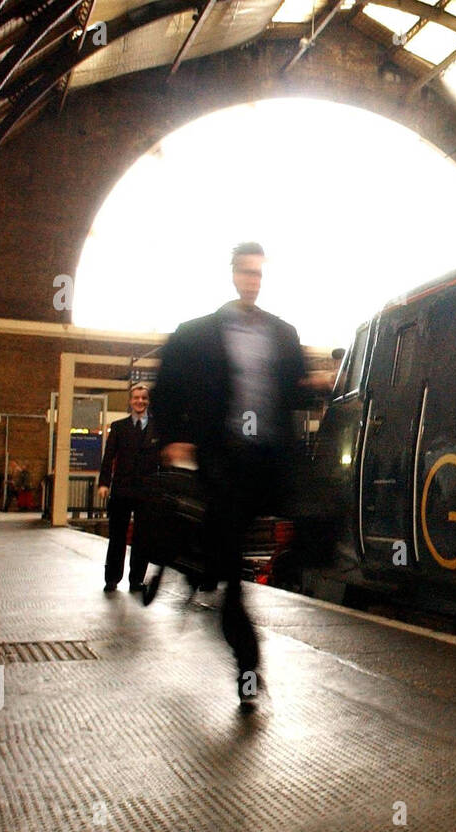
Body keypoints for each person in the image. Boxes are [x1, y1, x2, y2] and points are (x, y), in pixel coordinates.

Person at [153, 242, 332, 710]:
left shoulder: (282, 333)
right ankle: (248, 667)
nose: (253, 281)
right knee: (230, 575)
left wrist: (315, 387)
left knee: (318, 521)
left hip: (272, 462)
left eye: (259, 274)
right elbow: (165, 390)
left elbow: (293, 390)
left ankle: (203, 565)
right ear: (233, 274)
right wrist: (173, 438)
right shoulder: (195, 334)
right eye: (246, 273)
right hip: (226, 464)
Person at [97, 383, 159, 593]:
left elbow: (163, 462)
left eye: (144, 398)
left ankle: (136, 580)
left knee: (143, 536)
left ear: (148, 401)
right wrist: (104, 483)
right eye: (136, 398)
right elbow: (109, 457)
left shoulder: (158, 429)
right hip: (122, 489)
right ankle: (112, 579)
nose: (140, 401)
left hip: (147, 491)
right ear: (130, 401)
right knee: (117, 535)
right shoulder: (118, 427)